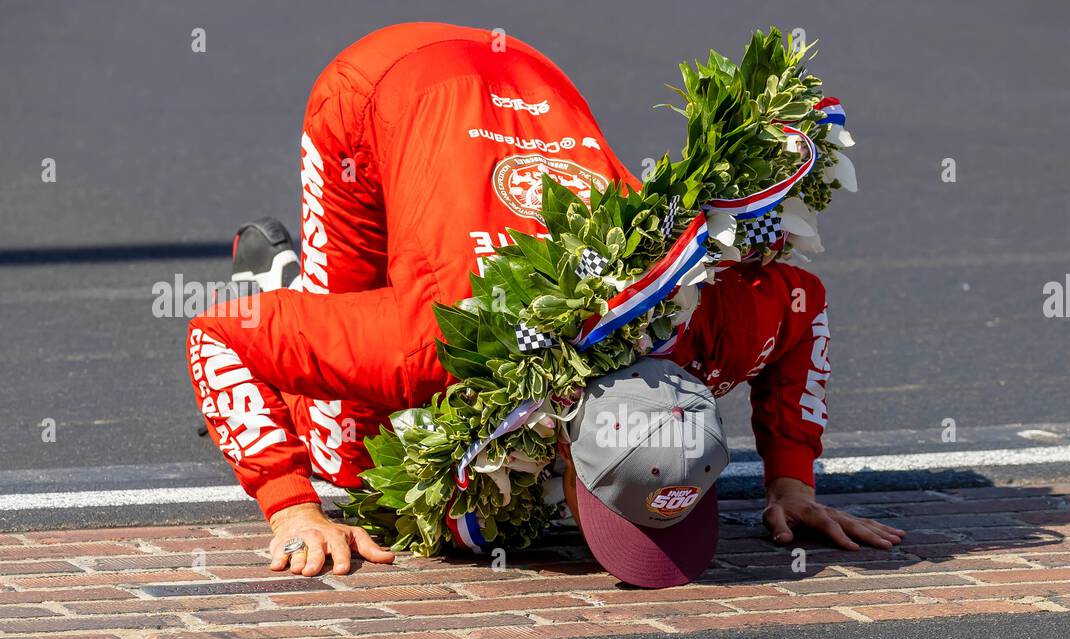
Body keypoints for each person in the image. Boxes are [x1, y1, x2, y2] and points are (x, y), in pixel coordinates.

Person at [188, 22, 903, 585]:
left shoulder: (711, 322)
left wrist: (791, 481)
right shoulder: (431, 344)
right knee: (346, 457)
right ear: (567, 442)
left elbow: (803, 304)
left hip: (527, 72)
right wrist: (290, 506)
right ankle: (283, 280)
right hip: (382, 84)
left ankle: (312, 313)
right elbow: (216, 335)